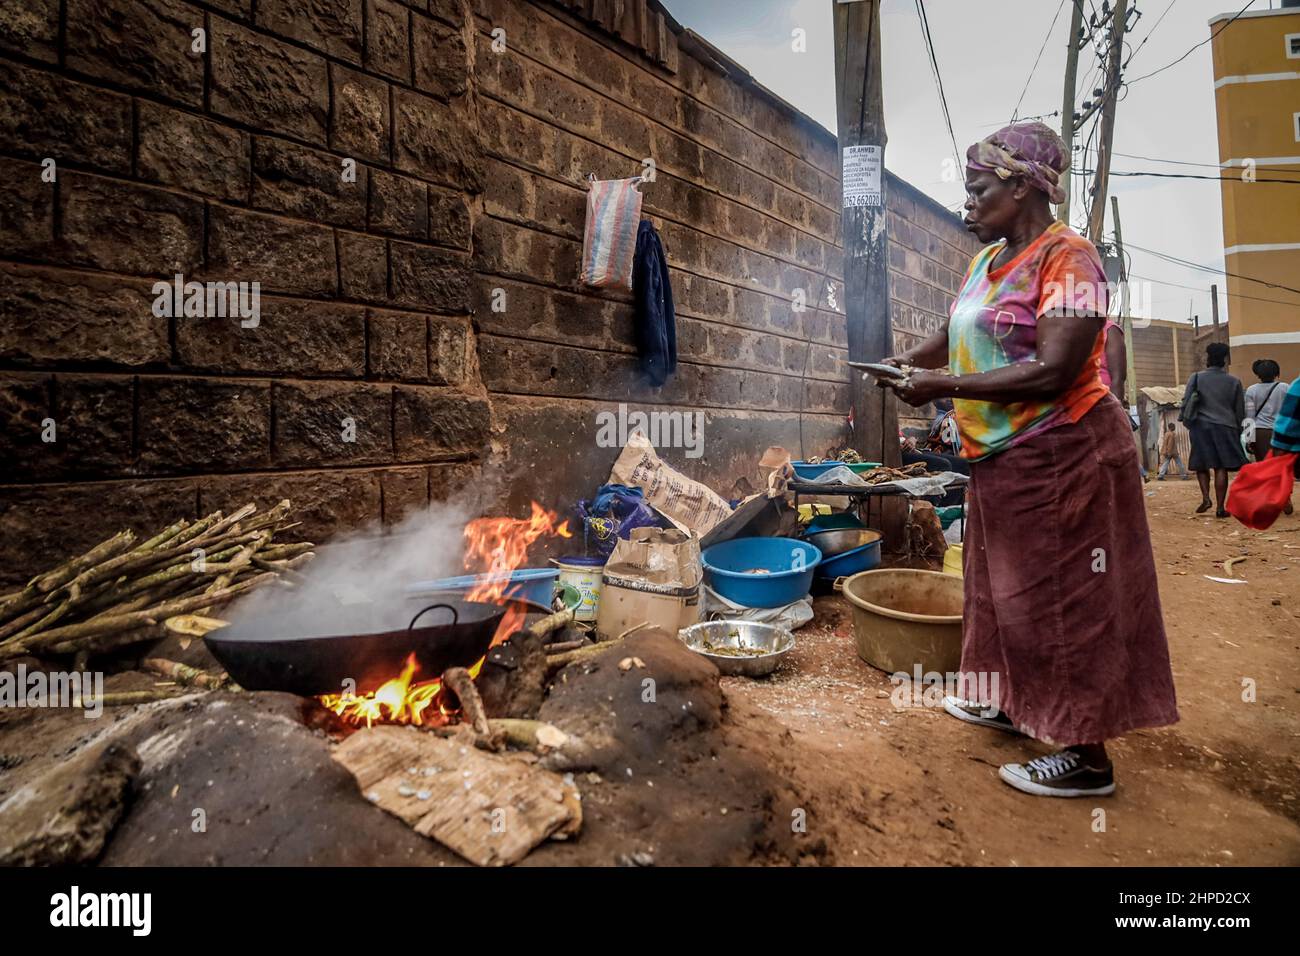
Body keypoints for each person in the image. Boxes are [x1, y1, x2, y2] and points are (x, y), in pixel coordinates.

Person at [879, 121, 1177, 799]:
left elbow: (1053, 368)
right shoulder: (989, 261)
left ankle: (1085, 755)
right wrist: (908, 363)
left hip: (1064, 452)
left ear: (1021, 186)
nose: (967, 204)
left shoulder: (1070, 260)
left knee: (1064, 598)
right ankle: (1010, 701)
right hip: (1004, 456)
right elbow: (954, 334)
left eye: (978, 190)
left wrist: (942, 387)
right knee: (995, 588)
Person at [1180, 342, 1246, 517]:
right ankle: (1220, 508)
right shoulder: (1234, 382)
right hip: (1226, 427)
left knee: (1201, 464)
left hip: (1200, 426)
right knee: (1220, 467)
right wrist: (1239, 431)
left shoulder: (1196, 378)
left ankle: (1205, 498)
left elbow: (1186, 401)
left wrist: (1188, 421)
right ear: (1225, 359)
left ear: (1208, 358)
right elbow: (1240, 411)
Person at [1245, 359, 1290, 462]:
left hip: (1260, 433)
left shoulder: (1251, 390)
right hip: (1281, 432)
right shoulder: (1285, 387)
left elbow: (1249, 416)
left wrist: (1248, 439)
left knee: (1264, 466)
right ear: (1276, 373)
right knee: (1280, 465)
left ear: (1258, 374)